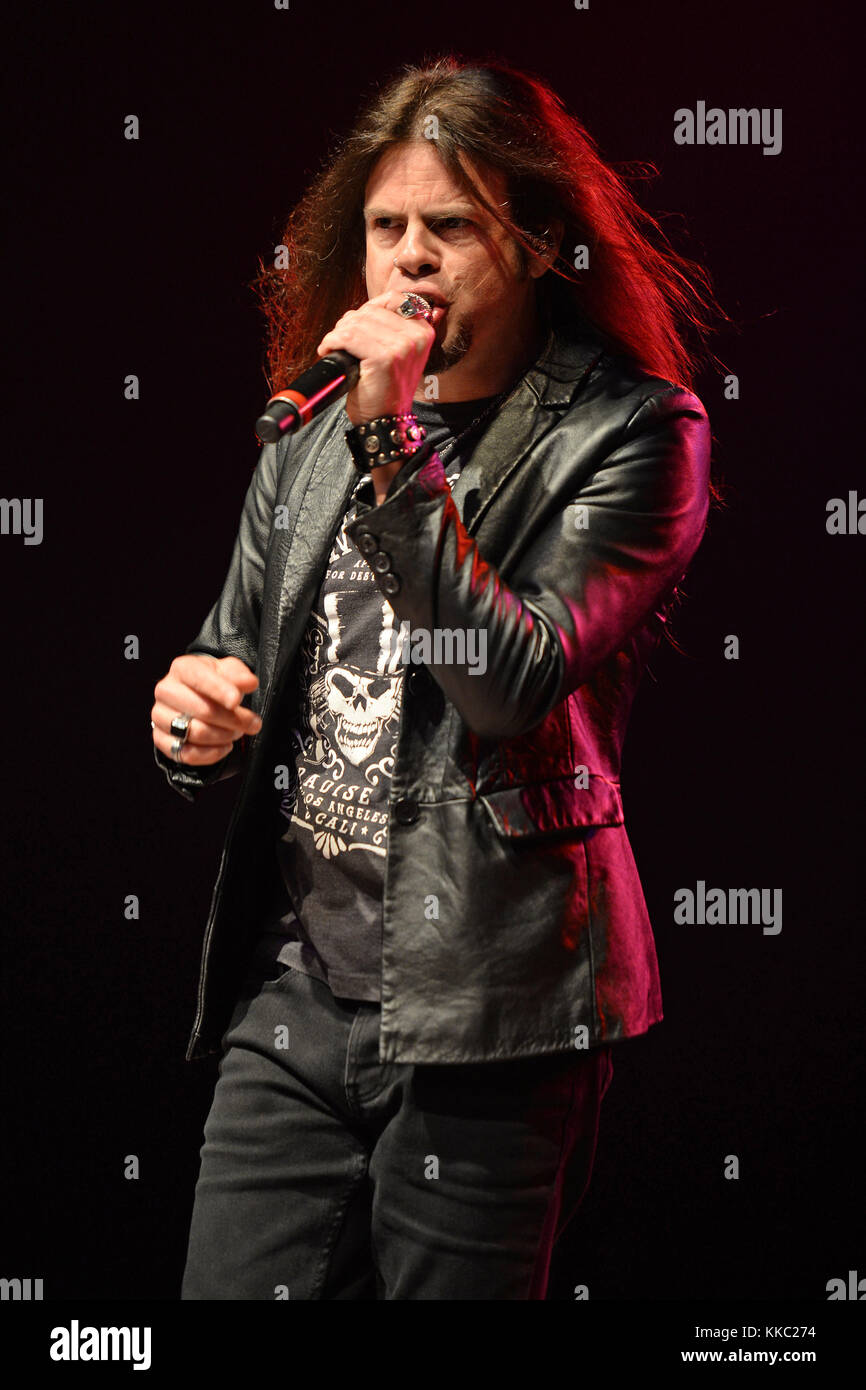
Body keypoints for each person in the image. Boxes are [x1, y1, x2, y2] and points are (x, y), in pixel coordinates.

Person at [151, 56, 717, 1300]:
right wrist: (194, 717)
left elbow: (507, 681)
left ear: (533, 245)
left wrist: (392, 439)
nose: (408, 258)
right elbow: (233, 655)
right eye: (384, 227)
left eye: (449, 226)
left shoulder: (631, 433)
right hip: (300, 997)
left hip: (491, 1014)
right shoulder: (309, 432)